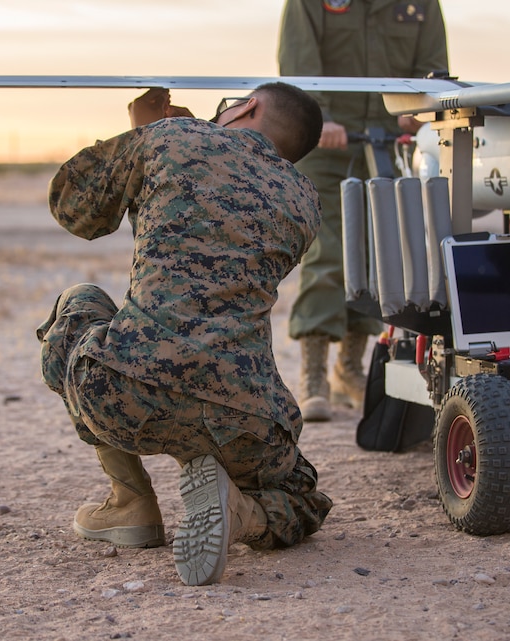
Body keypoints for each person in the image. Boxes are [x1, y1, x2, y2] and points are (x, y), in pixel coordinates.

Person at [36, 82, 334, 587]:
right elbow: (219, 245)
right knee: (304, 496)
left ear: (247, 106)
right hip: (245, 417)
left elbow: (74, 207)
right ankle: (242, 514)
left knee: (78, 302)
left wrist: (144, 134)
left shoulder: (170, 137)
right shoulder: (303, 200)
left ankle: (130, 502)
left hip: (123, 386)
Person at [278, 0, 449, 421]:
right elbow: (299, 65)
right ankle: (314, 375)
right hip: (326, 141)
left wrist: (419, 108)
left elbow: (434, 68)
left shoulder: (420, 4)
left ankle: (349, 369)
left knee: (380, 256)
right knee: (328, 253)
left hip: (387, 142)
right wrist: (321, 117)